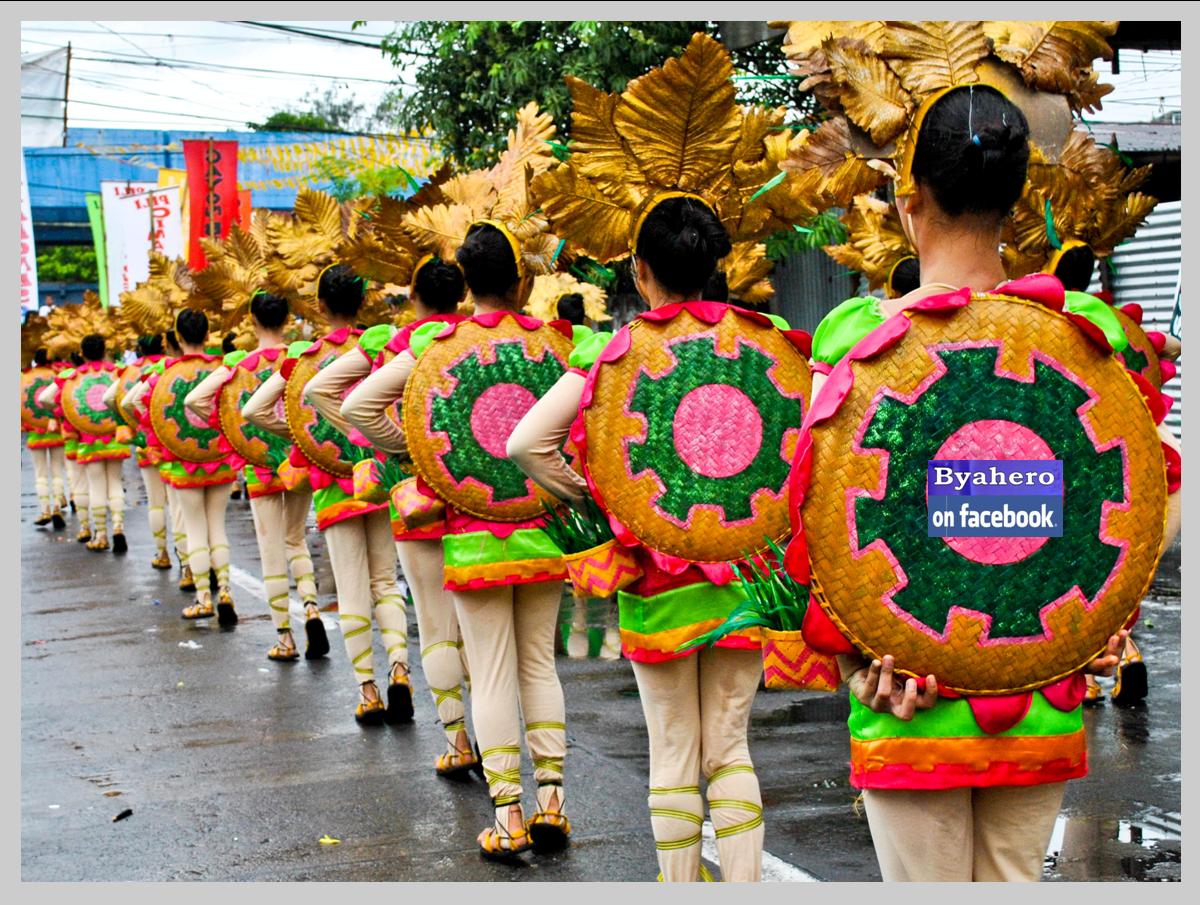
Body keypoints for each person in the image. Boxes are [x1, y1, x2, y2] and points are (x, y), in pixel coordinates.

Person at [801, 84, 1182, 882]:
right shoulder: (1083, 336)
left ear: (909, 203)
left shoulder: (860, 344)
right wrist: (1101, 616)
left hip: (908, 692)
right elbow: (1150, 489)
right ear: (1014, 204)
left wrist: (854, 668)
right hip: (1038, 687)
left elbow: (819, 523)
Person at [508, 196, 769, 881]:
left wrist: (601, 504)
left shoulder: (614, 356)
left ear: (640, 270)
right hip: (747, 578)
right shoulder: (765, 342)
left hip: (657, 584)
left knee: (676, 752)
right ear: (715, 265)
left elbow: (526, 443)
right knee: (731, 749)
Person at [341, 223, 570, 858]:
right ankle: (553, 799)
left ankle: (509, 816)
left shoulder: (438, 348)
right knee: (538, 666)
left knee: (492, 675)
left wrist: (423, 455)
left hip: (472, 537)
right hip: (543, 529)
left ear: (466, 283)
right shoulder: (554, 345)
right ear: (521, 279)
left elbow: (360, 406)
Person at [321, 255, 484, 773]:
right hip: (490, 505)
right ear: (462, 293)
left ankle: (454, 738)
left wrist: (401, 453)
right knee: (486, 640)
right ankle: (524, 771)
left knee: (431, 622)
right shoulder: (491, 338)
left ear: (414, 296)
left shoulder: (402, 346)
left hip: (416, 499)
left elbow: (327, 398)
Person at [243, 264, 412, 724]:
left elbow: (255, 409)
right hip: (380, 478)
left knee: (354, 589)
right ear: (362, 302)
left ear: (320, 306)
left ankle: (369, 692)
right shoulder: (380, 350)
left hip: (333, 487)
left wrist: (302, 434)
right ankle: (400, 669)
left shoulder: (304, 362)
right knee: (385, 580)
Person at [184, 292, 327, 662]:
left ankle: (285, 636)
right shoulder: (299, 357)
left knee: (271, 548)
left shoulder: (238, 364)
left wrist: (230, 425)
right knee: (295, 538)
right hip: (298, 461)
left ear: (251, 319)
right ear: (287, 319)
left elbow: (194, 401)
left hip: (260, 463)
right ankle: (311, 607)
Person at [126, 310, 239, 624]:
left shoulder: (164, 370)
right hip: (218, 458)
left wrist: (158, 430)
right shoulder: (221, 367)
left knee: (195, 528)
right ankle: (226, 590)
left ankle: (204, 598)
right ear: (207, 335)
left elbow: (134, 401)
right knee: (217, 527)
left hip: (181, 460)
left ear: (177, 337)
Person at [40, 334, 130, 554]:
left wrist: (66, 412)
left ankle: (100, 535)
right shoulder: (118, 372)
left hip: (88, 441)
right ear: (104, 350)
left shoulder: (71, 377)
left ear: (82, 353)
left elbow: (44, 399)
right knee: (115, 484)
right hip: (114, 438)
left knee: (96, 486)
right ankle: (118, 527)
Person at [104, 335, 170, 569]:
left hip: (148, 444)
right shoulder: (174, 367)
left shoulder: (131, 372)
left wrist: (135, 426)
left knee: (155, 502)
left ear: (139, 350)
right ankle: (191, 569)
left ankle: (162, 553)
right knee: (180, 507)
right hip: (176, 442)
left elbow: (112, 399)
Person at [23, 348, 67, 530]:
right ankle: (57, 507)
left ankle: (45, 510)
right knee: (57, 471)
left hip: (35, 431)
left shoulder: (25, 378)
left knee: (40, 473)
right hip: (56, 430)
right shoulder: (57, 376)